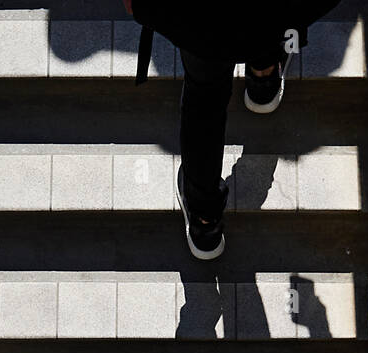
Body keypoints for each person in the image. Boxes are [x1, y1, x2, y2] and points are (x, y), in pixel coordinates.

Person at [126, 1, 339, 259]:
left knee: (205, 96)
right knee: (268, 18)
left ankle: (205, 223)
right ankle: (263, 78)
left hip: (199, 19)